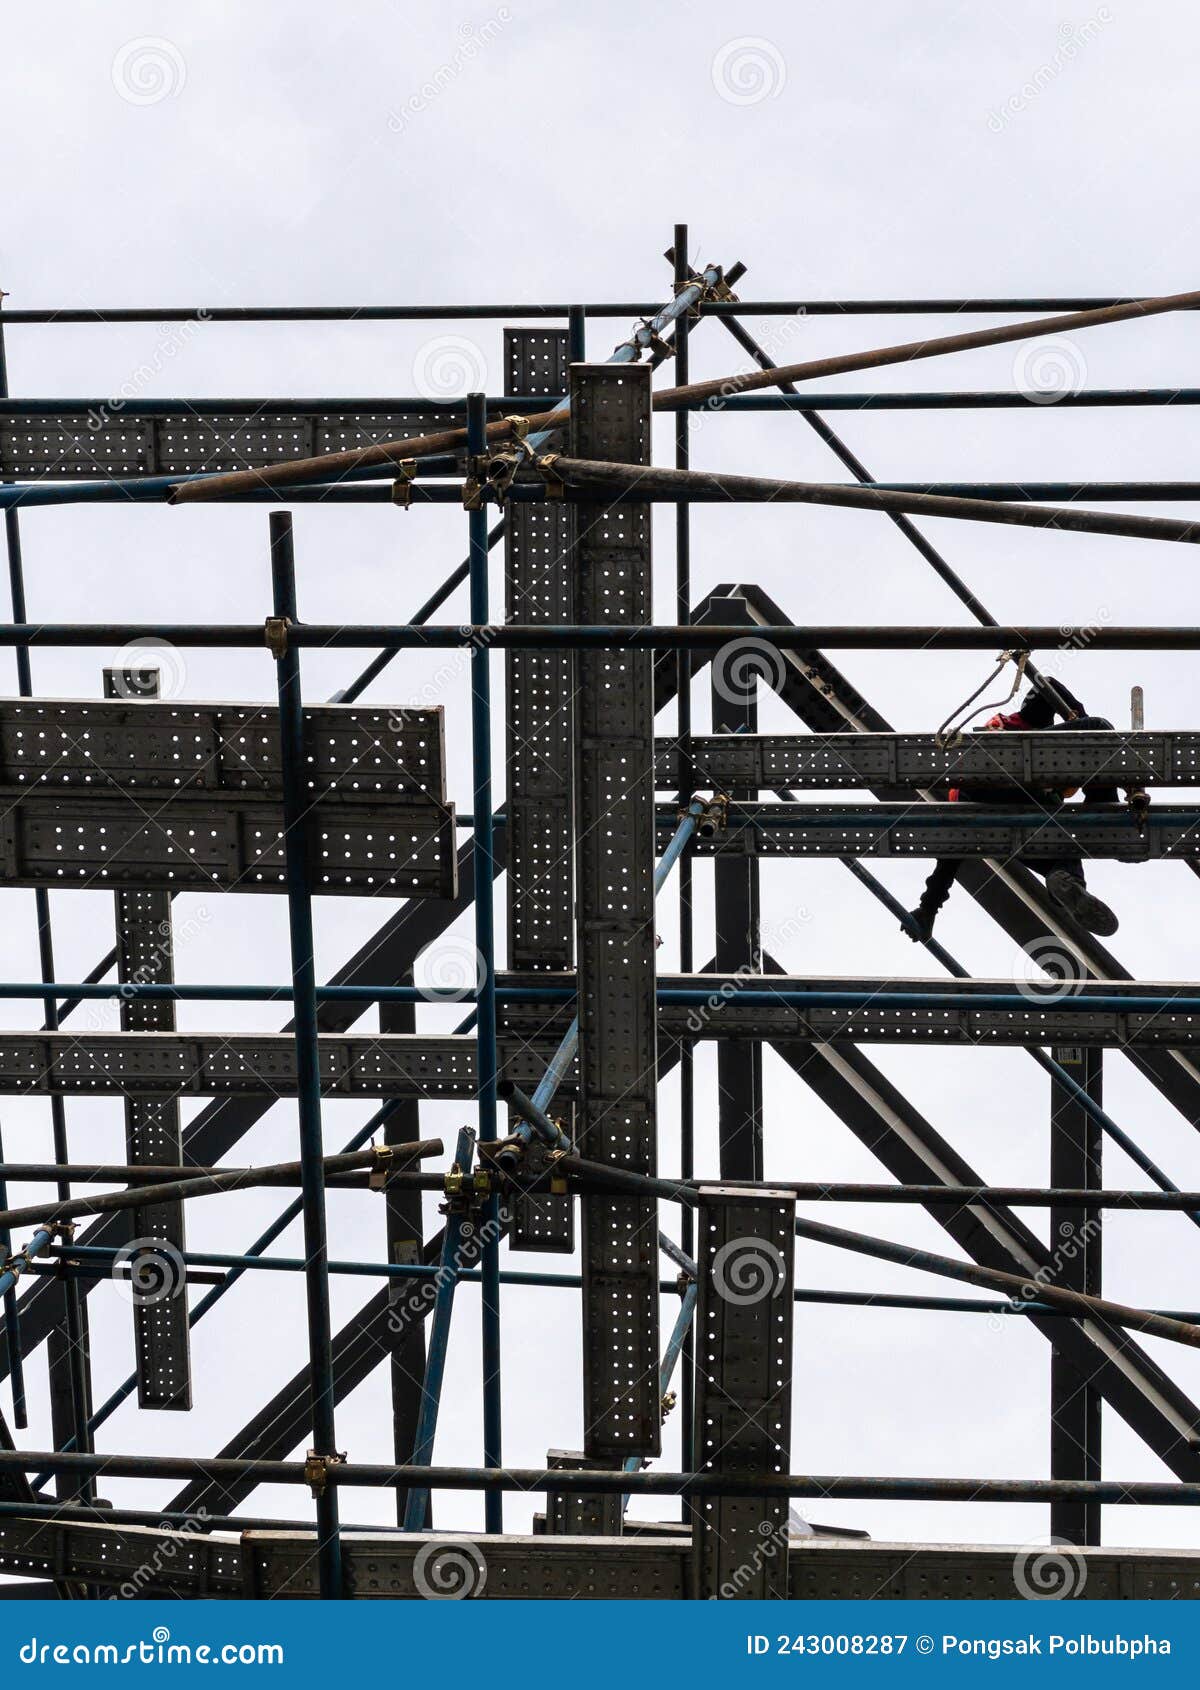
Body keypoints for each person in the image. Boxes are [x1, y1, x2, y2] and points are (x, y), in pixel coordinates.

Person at [904, 676, 1148, 942]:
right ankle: (1105, 821)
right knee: (1099, 730)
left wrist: (928, 908)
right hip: (1002, 767)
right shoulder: (1032, 726)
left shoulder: (1045, 791)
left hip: (1000, 813)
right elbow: (1046, 684)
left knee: (1063, 859)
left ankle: (1068, 882)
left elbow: (952, 852)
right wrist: (1077, 714)